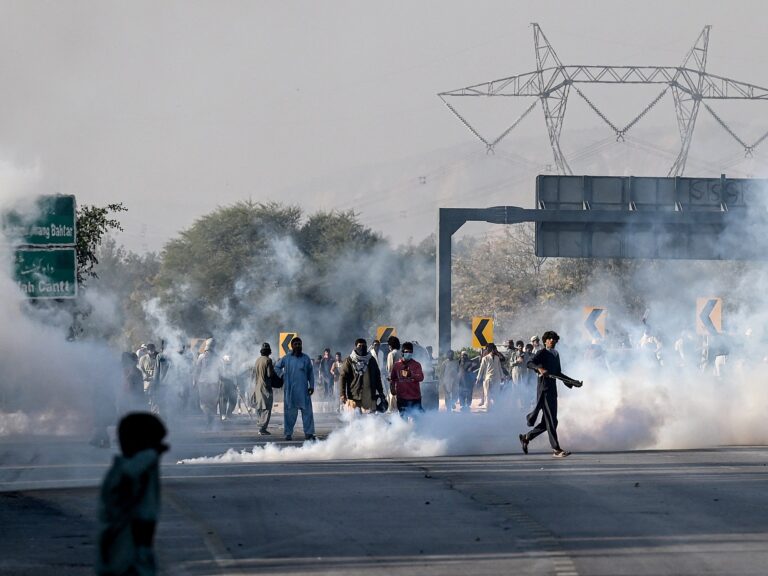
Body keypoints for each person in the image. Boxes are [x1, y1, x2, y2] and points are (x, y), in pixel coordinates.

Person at [96, 412, 169, 576]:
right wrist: (151, 455)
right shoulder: (124, 474)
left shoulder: (140, 470)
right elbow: (130, 474)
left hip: (135, 550)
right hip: (123, 550)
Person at [519, 330, 581, 458]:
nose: (552, 340)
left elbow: (558, 373)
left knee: (550, 421)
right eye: (549, 339)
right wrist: (540, 369)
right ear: (545, 341)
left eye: (554, 339)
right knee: (551, 420)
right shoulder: (542, 352)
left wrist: (572, 382)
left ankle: (527, 437)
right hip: (544, 388)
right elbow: (529, 363)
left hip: (552, 388)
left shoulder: (555, 354)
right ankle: (556, 449)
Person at [274, 336, 316, 441]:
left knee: (307, 413)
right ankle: (288, 434)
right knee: (289, 414)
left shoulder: (306, 358)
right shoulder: (286, 358)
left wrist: (311, 386)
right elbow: (276, 367)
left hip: (303, 391)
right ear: (292, 346)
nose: (298, 346)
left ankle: (309, 433)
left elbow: (311, 374)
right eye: (295, 344)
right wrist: (282, 375)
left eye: (299, 344)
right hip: (290, 391)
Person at [339, 338, 386, 413]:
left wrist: (380, 391)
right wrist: (342, 394)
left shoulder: (371, 360)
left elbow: (377, 377)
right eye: (359, 345)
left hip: (370, 395)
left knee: (370, 420)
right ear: (355, 347)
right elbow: (343, 377)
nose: (361, 347)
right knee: (354, 420)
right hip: (354, 395)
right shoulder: (349, 361)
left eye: (364, 346)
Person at [192, 338, 223, 428]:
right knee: (211, 403)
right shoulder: (217, 357)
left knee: (205, 403)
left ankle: (209, 419)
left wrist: (194, 381)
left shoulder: (201, 356)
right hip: (213, 382)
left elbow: (197, 370)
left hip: (203, 383)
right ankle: (210, 420)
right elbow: (220, 370)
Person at [389, 341, 424, 415]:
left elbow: (421, 377)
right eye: (406, 351)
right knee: (403, 418)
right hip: (402, 398)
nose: (409, 353)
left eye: (410, 352)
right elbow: (393, 379)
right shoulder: (396, 365)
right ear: (402, 353)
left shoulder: (416, 365)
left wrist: (411, 374)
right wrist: (392, 388)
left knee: (418, 419)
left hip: (415, 397)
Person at [250, 342, 276, 435]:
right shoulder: (268, 360)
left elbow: (253, 375)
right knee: (267, 408)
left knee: (259, 407)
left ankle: (260, 425)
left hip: (257, 387)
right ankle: (262, 428)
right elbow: (269, 374)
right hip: (266, 387)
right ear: (269, 351)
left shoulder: (257, 360)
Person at [475, 343, 504, 410]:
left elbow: (499, 367)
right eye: (494, 349)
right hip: (487, 379)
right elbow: (481, 369)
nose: (495, 350)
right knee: (487, 394)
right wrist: (478, 379)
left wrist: (502, 377)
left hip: (497, 378)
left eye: (495, 349)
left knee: (496, 394)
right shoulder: (485, 358)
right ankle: (488, 408)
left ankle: (495, 408)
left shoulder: (497, 358)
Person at [385, 336, 402, 413]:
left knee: (392, 400)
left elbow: (390, 368)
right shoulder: (401, 353)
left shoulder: (391, 354)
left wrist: (389, 378)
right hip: (402, 380)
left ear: (391, 345)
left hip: (394, 380)